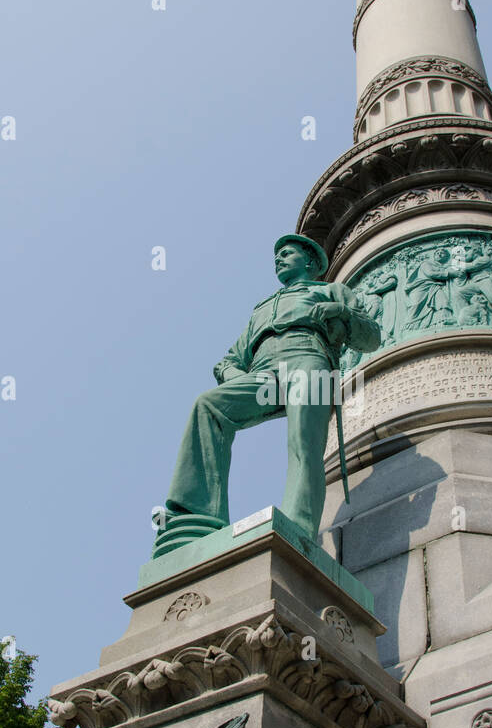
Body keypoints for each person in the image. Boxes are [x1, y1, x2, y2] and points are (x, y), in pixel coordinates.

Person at [157, 234, 380, 549]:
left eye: (287, 253)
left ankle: (298, 530)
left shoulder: (330, 291)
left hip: (308, 360)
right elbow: (228, 361)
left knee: (303, 440)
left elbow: (370, 337)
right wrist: (236, 378)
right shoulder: (260, 309)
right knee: (208, 406)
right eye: (277, 255)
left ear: (311, 263)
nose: (279, 259)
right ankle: (195, 517)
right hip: (264, 372)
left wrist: (339, 312)